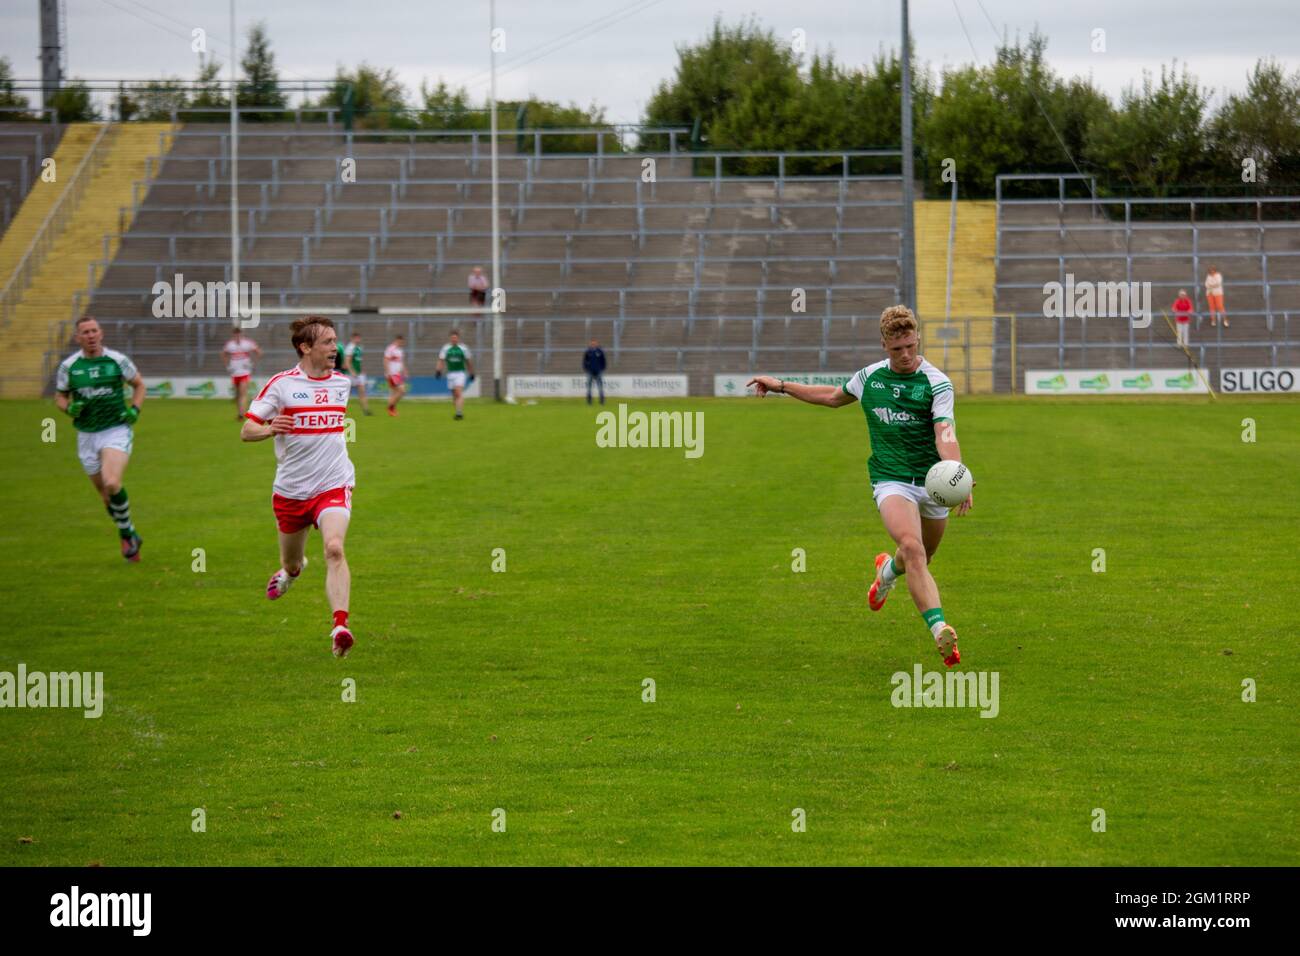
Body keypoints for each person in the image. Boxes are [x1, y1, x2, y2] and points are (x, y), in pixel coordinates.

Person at [747, 305, 972, 668]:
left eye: (911, 346)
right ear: (884, 345)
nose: (905, 355)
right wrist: (782, 386)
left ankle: (886, 573)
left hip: (933, 483)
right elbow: (831, 397)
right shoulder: (870, 377)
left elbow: (944, 433)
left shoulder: (937, 382)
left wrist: (957, 474)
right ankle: (940, 630)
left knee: (921, 558)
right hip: (891, 479)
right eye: (897, 349)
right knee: (913, 549)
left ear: (918, 339)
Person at [241, 316, 356, 658]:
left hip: (333, 483)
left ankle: (340, 627)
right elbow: (247, 431)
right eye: (327, 342)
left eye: (335, 340)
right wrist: (270, 428)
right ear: (305, 347)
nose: (335, 347)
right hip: (291, 492)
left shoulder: (342, 384)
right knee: (291, 563)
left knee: (334, 548)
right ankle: (293, 572)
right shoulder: (281, 385)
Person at [54, 315, 146, 561]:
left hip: (115, 429)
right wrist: (68, 408)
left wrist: (135, 409)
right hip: (86, 435)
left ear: (101, 333)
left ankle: (126, 536)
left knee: (112, 483)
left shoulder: (117, 360)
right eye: (85, 332)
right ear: (78, 337)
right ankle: (131, 533)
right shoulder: (69, 367)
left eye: (94, 331)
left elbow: (139, 385)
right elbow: (60, 396)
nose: (91, 335)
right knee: (106, 497)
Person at [223, 326, 262, 421]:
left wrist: (252, 363)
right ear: (233, 335)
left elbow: (259, 352)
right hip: (234, 373)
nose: (238, 336)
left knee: (243, 393)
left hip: (245, 372)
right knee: (237, 394)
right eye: (236, 335)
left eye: (239, 334)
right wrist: (227, 365)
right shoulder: (230, 344)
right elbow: (224, 354)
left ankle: (241, 414)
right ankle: (239, 412)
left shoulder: (248, 343)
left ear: (242, 334)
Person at [435, 329, 475, 420]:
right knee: (454, 395)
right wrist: (438, 371)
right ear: (450, 338)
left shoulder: (463, 348)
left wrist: (471, 372)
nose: (454, 339)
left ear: (458, 338)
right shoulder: (445, 348)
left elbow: (468, 362)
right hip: (450, 374)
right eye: (452, 338)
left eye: (455, 338)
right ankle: (457, 410)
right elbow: (441, 360)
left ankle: (459, 413)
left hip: (460, 373)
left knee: (458, 392)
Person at [342, 331, 372, 416]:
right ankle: (340, 410)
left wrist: (362, 370)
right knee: (345, 393)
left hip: (358, 374)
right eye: (356, 338)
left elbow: (358, 361)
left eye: (359, 338)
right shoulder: (350, 347)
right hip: (350, 374)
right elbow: (347, 361)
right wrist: (352, 371)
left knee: (362, 391)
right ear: (352, 338)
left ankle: (366, 410)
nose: (358, 339)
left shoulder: (358, 348)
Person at [383, 334, 409, 417]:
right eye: (400, 342)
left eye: (402, 342)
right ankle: (390, 407)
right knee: (402, 390)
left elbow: (401, 362)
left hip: (397, 374)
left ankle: (391, 411)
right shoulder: (390, 348)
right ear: (397, 340)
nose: (401, 343)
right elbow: (385, 360)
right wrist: (387, 372)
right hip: (392, 374)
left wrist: (405, 371)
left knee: (394, 393)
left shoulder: (400, 350)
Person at [583, 338, 607, 405]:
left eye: (594, 343)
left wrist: (602, 369)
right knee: (589, 386)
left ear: (597, 344)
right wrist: (586, 368)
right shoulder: (588, 352)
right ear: (590, 344)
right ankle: (589, 400)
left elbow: (603, 361)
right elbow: (584, 361)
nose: (593, 344)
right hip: (590, 371)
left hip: (598, 371)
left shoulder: (600, 351)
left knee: (600, 386)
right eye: (592, 343)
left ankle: (601, 400)